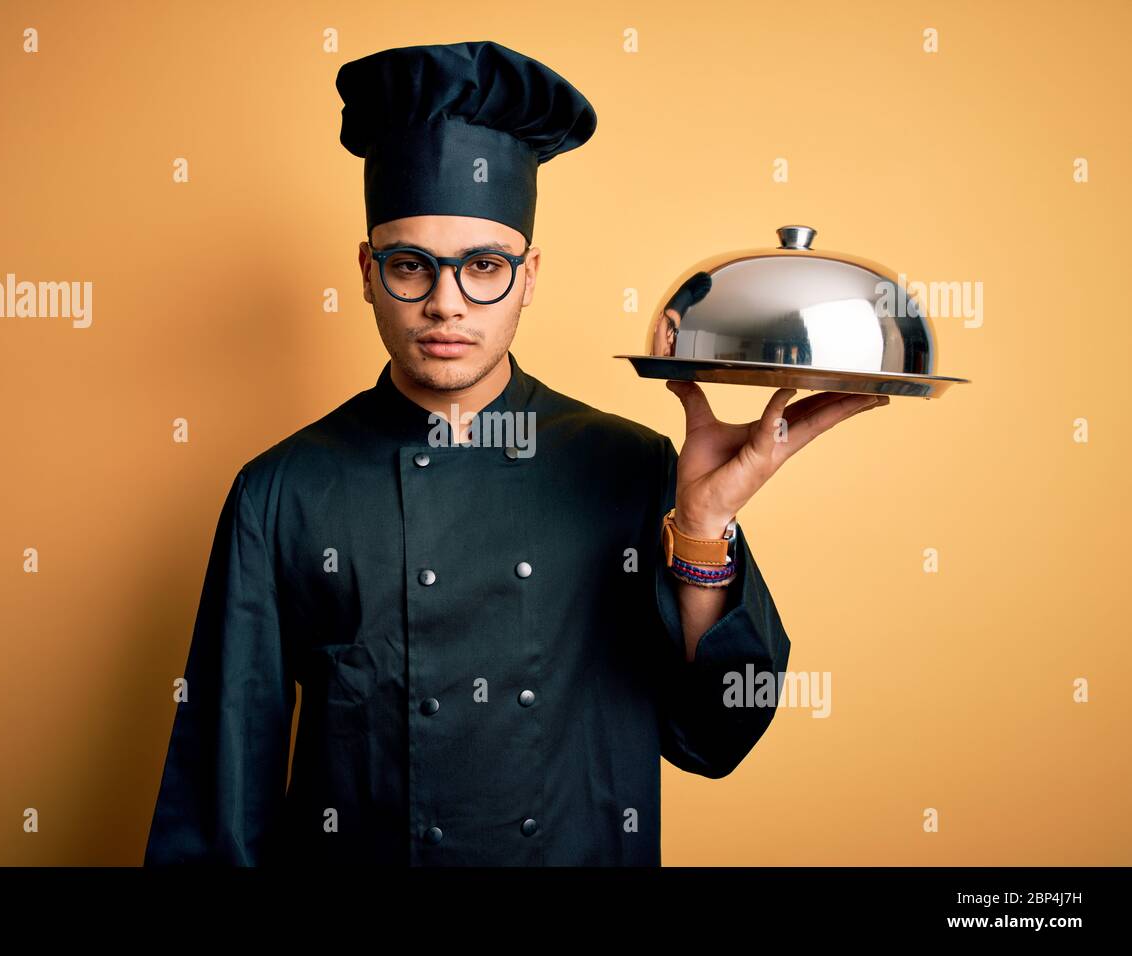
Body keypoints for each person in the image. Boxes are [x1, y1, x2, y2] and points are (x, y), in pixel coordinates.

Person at [143, 40, 887, 867]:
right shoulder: (281, 491)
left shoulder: (634, 469)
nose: (445, 304)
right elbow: (221, 793)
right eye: (410, 267)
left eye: (484, 266)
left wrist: (705, 529)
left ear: (530, 274)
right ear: (365, 270)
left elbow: (715, 733)